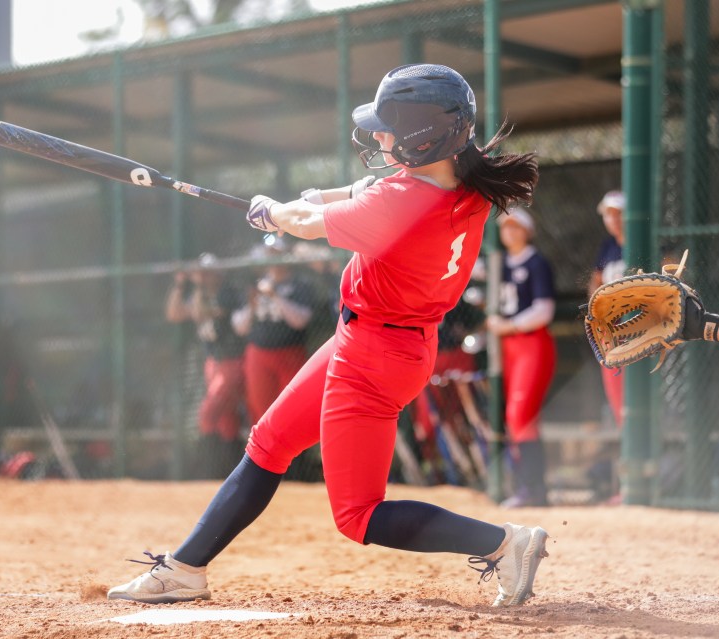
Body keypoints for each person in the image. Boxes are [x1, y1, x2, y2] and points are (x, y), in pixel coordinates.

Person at [108, 63, 546, 607]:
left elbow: (315, 223)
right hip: (379, 343)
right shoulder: (462, 183)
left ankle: (504, 543)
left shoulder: (400, 203)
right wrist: (308, 200)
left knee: (358, 515)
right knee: (269, 442)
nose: (379, 136)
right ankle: (185, 567)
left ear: (422, 133)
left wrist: (277, 213)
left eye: (388, 127)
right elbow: (360, 192)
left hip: (373, 356)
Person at [485, 208, 557, 508]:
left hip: (530, 343)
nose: (510, 232)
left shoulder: (537, 263)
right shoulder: (498, 264)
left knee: (520, 415)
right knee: (515, 419)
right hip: (507, 347)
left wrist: (509, 325)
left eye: (516, 227)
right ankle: (531, 488)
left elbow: (544, 311)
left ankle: (532, 488)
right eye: (506, 227)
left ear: (528, 231)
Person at [165, 253, 248, 477]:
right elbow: (174, 313)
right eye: (200, 273)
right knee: (225, 419)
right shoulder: (199, 294)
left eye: (207, 273)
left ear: (218, 274)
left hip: (232, 361)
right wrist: (180, 285)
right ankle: (230, 472)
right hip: (213, 361)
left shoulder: (227, 294)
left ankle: (208, 471)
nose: (203, 277)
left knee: (207, 414)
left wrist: (198, 287)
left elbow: (202, 312)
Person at [231, 236, 316, 423]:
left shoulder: (300, 284)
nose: (273, 259)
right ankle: (263, 451)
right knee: (261, 412)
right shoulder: (254, 286)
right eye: (269, 254)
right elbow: (240, 327)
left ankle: (296, 453)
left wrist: (275, 295)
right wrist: (252, 304)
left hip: (290, 353)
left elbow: (300, 321)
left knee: (292, 412)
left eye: (277, 254)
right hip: (258, 354)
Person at [589, 190, 626, 428]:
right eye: (608, 214)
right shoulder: (608, 247)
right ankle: (628, 441)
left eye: (618, 214)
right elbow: (596, 281)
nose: (612, 219)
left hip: (643, 328)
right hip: (612, 329)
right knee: (616, 389)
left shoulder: (650, 239)